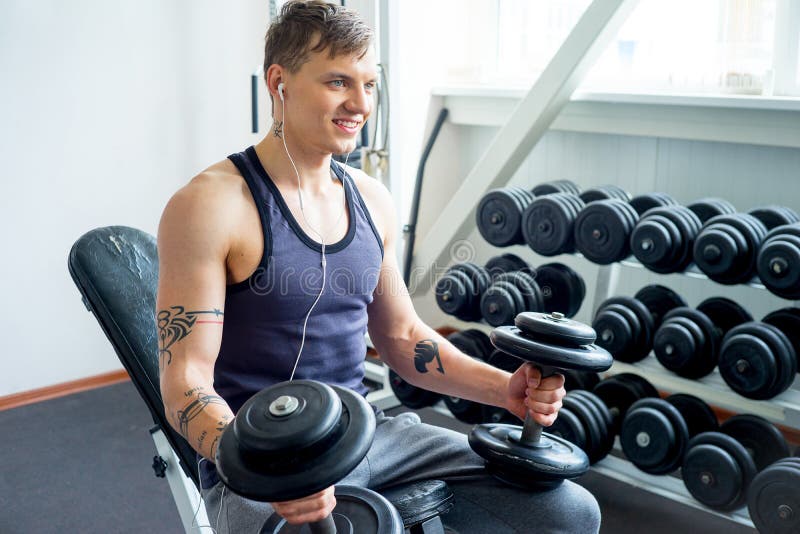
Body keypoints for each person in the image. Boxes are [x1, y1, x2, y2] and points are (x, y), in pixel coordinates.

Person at [156, 1, 601, 532]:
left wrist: (503, 389)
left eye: (369, 84)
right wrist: (262, 463)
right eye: (338, 82)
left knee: (569, 512)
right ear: (279, 82)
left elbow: (402, 338)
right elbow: (184, 377)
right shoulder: (211, 205)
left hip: (370, 435)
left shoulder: (371, 199)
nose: (360, 103)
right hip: (261, 460)